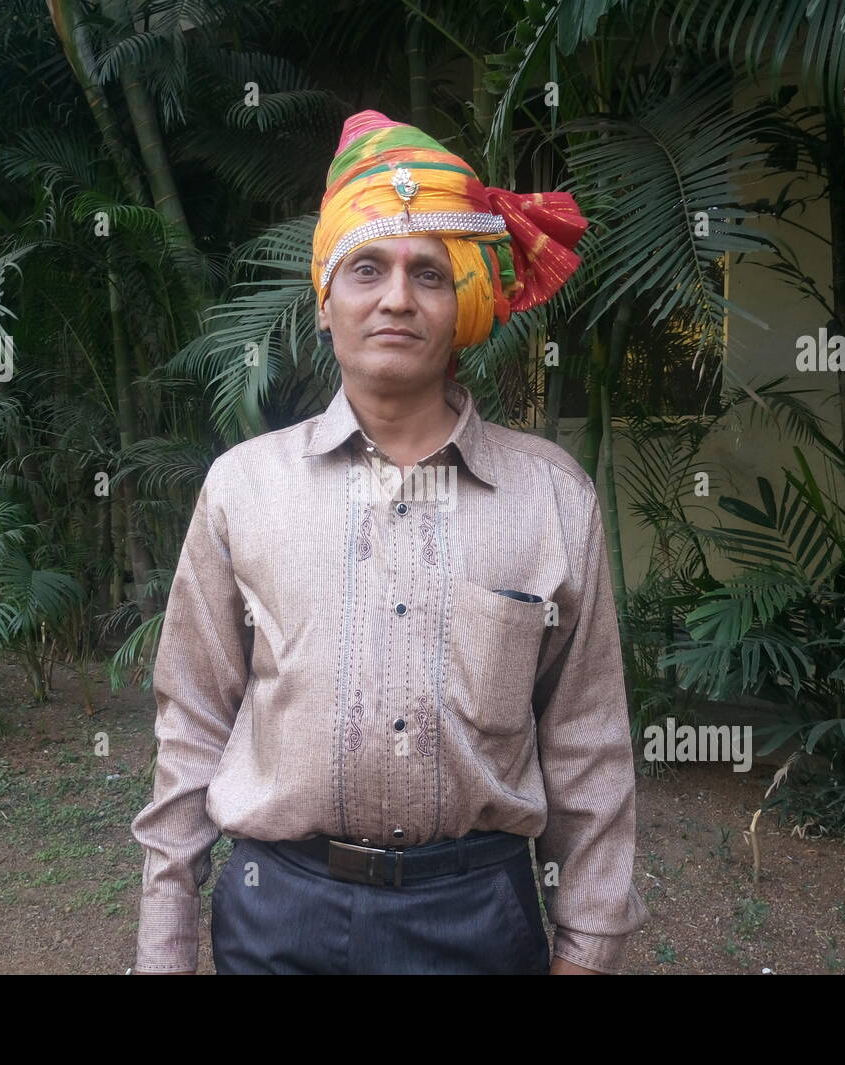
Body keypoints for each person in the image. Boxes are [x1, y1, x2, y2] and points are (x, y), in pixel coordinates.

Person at [132, 110, 649, 975]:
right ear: (326, 299)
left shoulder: (552, 497)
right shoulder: (244, 488)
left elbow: (587, 744)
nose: (398, 297)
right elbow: (193, 719)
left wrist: (588, 950)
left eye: (430, 275)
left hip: (478, 918)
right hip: (276, 912)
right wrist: (166, 944)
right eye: (367, 267)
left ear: (466, 308)